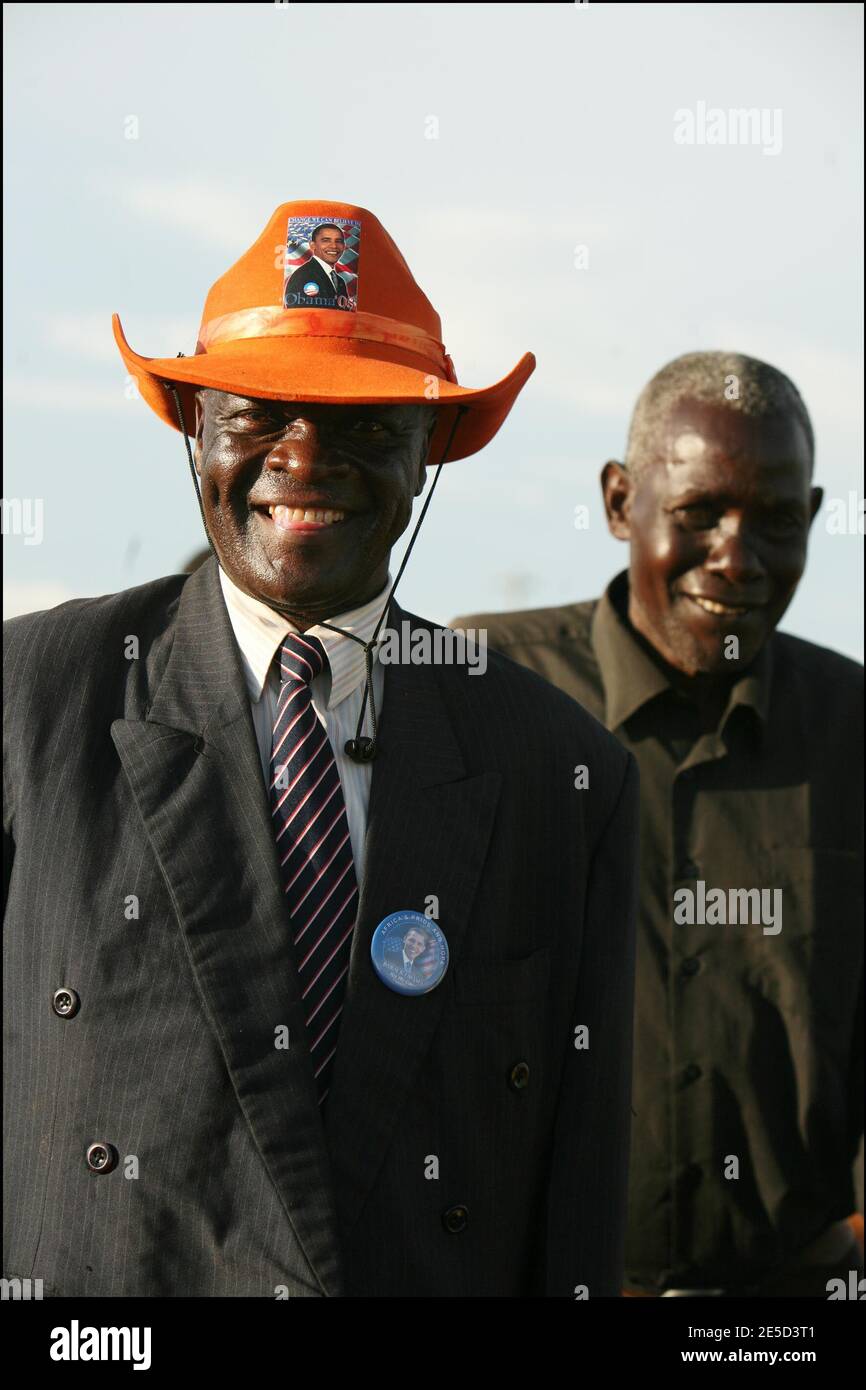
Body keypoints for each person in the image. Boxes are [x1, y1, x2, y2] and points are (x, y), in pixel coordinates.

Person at [3, 198, 639, 1299]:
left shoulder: (560, 774)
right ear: (195, 426)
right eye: (261, 415)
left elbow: (573, 1194)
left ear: (425, 455)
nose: (305, 460)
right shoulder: (30, 705)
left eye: (361, 425)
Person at [452, 351, 864, 1298]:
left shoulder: (853, 732)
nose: (736, 557)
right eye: (699, 513)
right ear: (618, 501)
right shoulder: (474, 693)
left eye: (774, 519)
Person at [284, 221, 352, 310]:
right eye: (326, 240)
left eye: (338, 241)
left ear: (344, 246)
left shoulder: (340, 282)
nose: (334, 246)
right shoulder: (302, 276)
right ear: (312, 245)